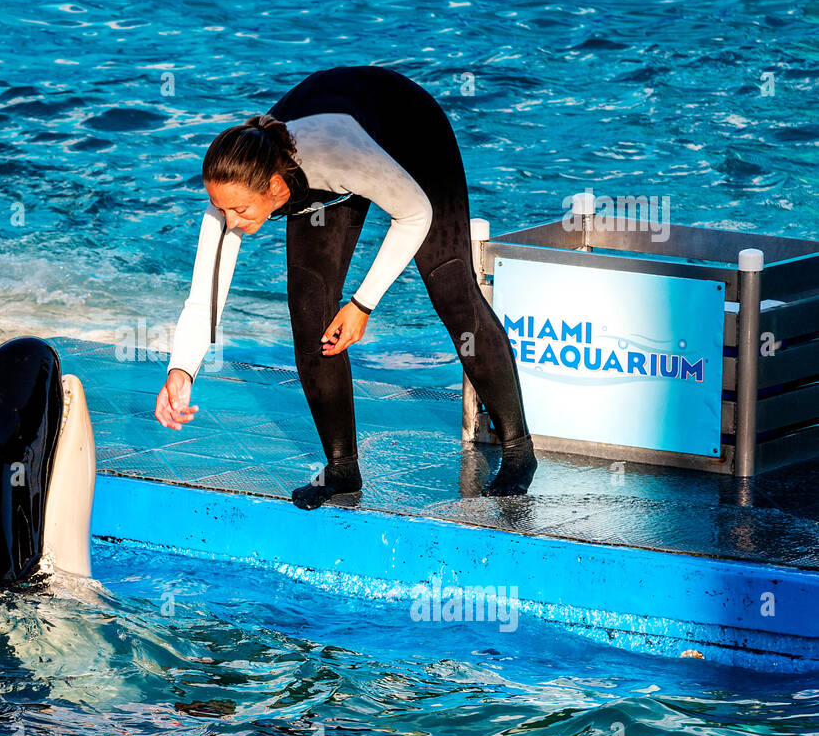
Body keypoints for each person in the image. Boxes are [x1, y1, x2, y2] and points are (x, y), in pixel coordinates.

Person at [153, 65, 538, 508]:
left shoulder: (335, 155)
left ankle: (517, 452)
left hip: (411, 134)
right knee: (311, 316)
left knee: (450, 287)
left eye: (239, 210)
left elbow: (414, 215)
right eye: (221, 208)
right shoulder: (233, 191)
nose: (230, 222)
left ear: (275, 186)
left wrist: (362, 304)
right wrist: (181, 370)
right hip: (331, 169)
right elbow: (203, 297)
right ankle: (341, 468)